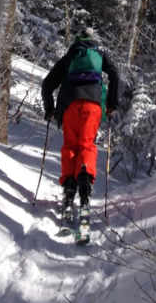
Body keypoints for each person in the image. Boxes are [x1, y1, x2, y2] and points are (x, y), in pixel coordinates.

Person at [41, 28, 120, 231]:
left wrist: (49, 107)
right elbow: (115, 75)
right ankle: (84, 186)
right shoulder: (100, 55)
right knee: (87, 144)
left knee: (71, 145)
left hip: (69, 103)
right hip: (93, 104)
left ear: (76, 42)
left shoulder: (69, 57)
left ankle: (69, 191)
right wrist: (111, 103)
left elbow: (47, 84)